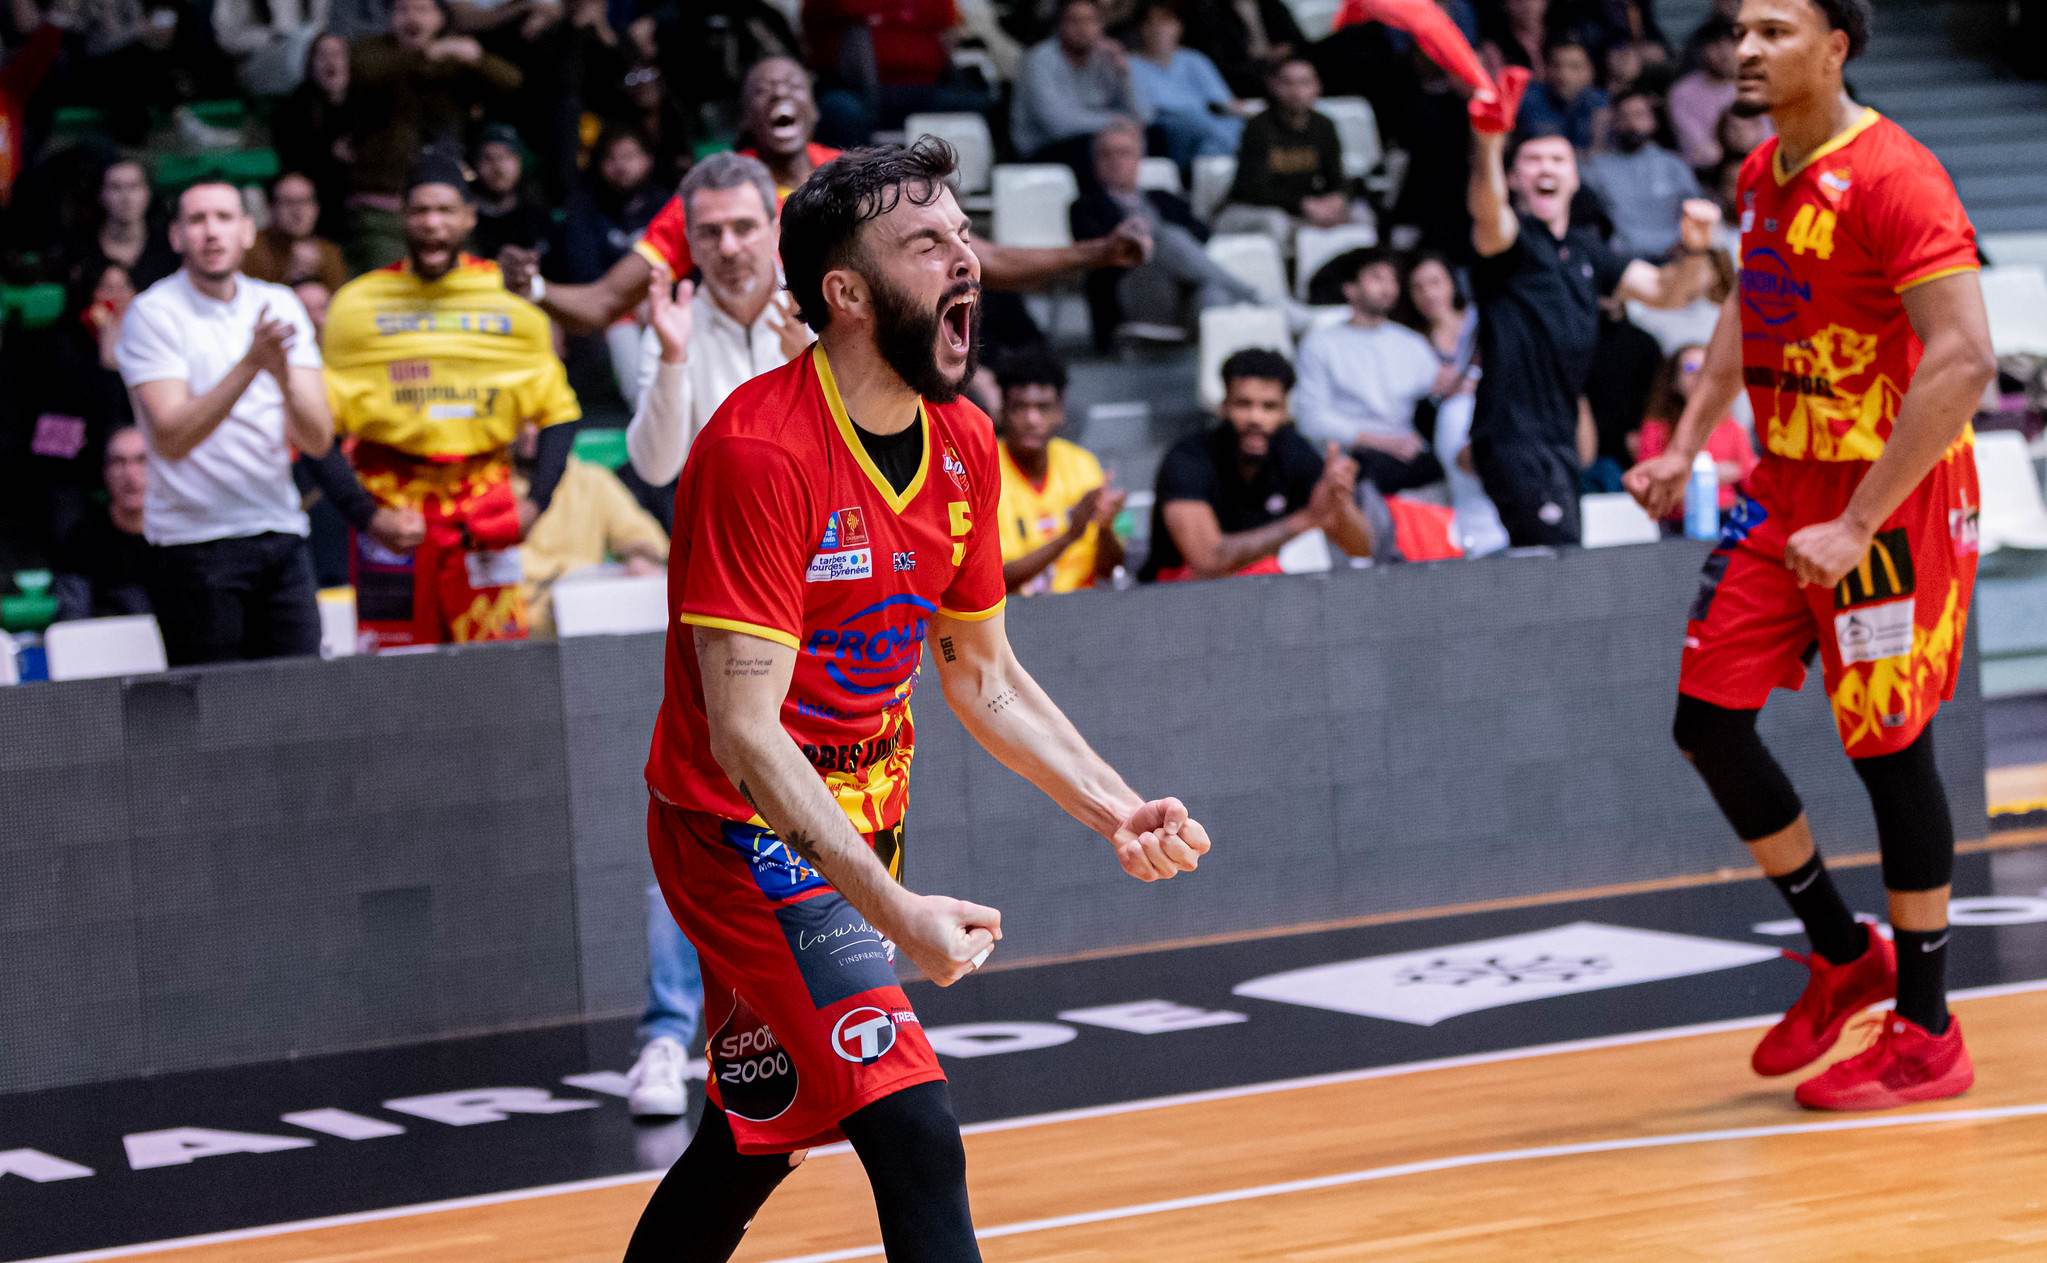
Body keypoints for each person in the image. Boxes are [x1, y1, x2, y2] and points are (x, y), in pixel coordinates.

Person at [621, 137, 1214, 1262]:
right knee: (914, 1131)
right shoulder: (757, 453)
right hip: (740, 833)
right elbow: (747, 739)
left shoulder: (964, 439)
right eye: (926, 242)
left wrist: (1114, 807)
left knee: (753, 1136)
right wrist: (898, 918)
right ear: (845, 292)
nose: (966, 260)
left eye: (963, 233)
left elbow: (981, 672)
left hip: (856, 818)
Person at [1623, 0, 1995, 1111]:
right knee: (1707, 718)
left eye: (1775, 29)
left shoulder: (1895, 175)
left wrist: (1860, 521)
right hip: (1783, 483)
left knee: (1888, 750)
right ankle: (1845, 956)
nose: (1744, 48)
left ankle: (1927, 1033)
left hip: (1889, 496)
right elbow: (1751, 307)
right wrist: (1686, 442)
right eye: (1738, 28)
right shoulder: (1759, 177)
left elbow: (1965, 359)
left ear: (1835, 46)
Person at [497, 56, 1149, 337]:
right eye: (760, 90)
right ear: (750, 118)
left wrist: (1096, 251)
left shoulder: (862, 179)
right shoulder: (716, 198)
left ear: (812, 105)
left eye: (789, 83)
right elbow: (608, 298)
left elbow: (977, 260)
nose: (776, 92)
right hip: (754, 392)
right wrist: (534, 290)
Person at [316, 149, 580, 649]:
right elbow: (315, 433)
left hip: (483, 513)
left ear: (468, 217)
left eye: (445, 211)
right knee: (393, 671)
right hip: (391, 511)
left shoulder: (512, 302)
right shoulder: (353, 307)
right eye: (420, 211)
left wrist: (536, 504)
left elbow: (560, 414)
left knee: (495, 667)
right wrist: (367, 517)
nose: (432, 224)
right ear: (402, 217)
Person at [1465, 86, 1722, 545]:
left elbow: (1666, 293)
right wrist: (1488, 144)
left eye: (1558, 160)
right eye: (1533, 161)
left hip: (1561, 437)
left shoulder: (1589, 252)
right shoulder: (1508, 243)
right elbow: (1488, 212)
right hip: (1510, 435)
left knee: (1557, 559)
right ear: (1515, 179)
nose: (1546, 169)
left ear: (1575, 178)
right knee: (1555, 552)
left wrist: (1697, 247)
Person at [115, 181, 333, 665]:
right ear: (175, 236)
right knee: (216, 724)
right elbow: (172, 438)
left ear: (248, 231)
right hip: (194, 546)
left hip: (281, 533)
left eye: (223, 218)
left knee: (300, 706)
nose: (211, 232)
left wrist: (284, 380)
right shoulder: (153, 313)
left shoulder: (279, 303)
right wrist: (251, 366)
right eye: (197, 220)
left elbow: (318, 439)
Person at [626, 153, 811, 489]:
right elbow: (656, 468)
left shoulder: (820, 310)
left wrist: (811, 364)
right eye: (711, 232)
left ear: (774, 232)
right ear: (691, 244)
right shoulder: (674, 327)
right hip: (724, 529)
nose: (728, 248)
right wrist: (673, 361)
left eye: (744, 228)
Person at [1140, 347, 1374, 581]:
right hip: (1175, 601)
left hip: (1264, 596)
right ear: (1224, 407)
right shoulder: (1188, 458)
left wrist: (1341, 503)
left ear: (1284, 412)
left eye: (1269, 406)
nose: (1256, 418)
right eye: (1244, 404)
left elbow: (1361, 550)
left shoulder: (1295, 451)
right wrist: (1305, 520)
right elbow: (1207, 560)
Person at [342, 0, 521, 271]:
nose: (411, 17)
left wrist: (478, 59)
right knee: (392, 289)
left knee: (473, 283)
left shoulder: (453, 57)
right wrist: (428, 53)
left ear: (440, 18)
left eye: (422, 9)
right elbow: (361, 74)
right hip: (382, 207)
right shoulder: (370, 53)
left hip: (447, 202)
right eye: (402, 9)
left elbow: (512, 84)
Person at [1069, 116, 1266, 346]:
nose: (1115, 161)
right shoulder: (1084, 206)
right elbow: (1094, 254)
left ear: (1139, 159)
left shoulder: (1162, 198)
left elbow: (1202, 233)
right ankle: (1256, 297)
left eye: (1123, 153)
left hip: (1181, 295)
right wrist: (1138, 238)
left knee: (1213, 294)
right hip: (1132, 293)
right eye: (1106, 154)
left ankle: (1212, 373)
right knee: (1163, 236)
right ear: (1095, 162)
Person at [1293, 247, 1444, 494]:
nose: (1388, 287)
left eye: (1392, 279)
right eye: (1376, 277)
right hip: (1351, 455)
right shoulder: (1320, 344)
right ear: (1349, 288)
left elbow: (1435, 397)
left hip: (1411, 453)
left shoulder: (1412, 343)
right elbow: (1311, 420)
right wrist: (1383, 442)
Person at [514, 423, 667, 637]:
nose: (529, 431)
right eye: (520, 421)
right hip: (508, 626)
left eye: (540, 422)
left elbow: (642, 535)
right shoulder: (482, 485)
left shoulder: (591, 480)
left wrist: (640, 557)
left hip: (577, 623)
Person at [994, 345, 1125, 594]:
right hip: (1013, 617)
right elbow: (994, 582)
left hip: (1081, 611)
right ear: (1002, 410)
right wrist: (1070, 535)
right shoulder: (982, 472)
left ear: (1060, 411)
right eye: (1020, 407)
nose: (1032, 419)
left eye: (1043, 407)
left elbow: (1110, 571)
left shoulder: (1083, 466)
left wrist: (1105, 528)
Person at [1216, 58, 1353, 247]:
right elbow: (1253, 189)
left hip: (1301, 208)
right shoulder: (1258, 127)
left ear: (1317, 87)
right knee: (1275, 222)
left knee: (1360, 215)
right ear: (1273, 85)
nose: (1297, 92)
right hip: (1251, 209)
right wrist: (1303, 204)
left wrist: (1336, 198)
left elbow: (1335, 177)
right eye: (1288, 83)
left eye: (1305, 83)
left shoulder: (1324, 126)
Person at [1011, 0, 1154, 170]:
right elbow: (1058, 125)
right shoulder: (1039, 60)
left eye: (1089, 21)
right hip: (1042, 148)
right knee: (1096, 148)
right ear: (1059, 25)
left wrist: (1124, 74)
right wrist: (1113, 122)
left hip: (1094, 139)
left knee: (1155, 136)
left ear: (1101, 26)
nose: (1082, 28)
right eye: (1074, 21)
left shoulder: (1106, 58)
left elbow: (1145, 116)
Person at [1583, 87, 1705, 260]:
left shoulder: (1674, 164)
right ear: (1613, 122)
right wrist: (1598, 134)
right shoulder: (1598, 166)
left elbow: (1698, 210)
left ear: (1652, 121)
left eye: (1639, 115)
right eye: (1624, 117)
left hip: (1675, 258)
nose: (1632, 124)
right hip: (1624, 260)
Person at [1634, 340, 1753, 514]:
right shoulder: (1657, 428)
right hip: (1676, 520)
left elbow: (1750, 477)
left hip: (1727, 515)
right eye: (1690, 369)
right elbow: (1648, 484)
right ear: (1674, 380)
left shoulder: (1731, 426)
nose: (1700, 376)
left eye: (1706, 369)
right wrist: (1712, 474)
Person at [52, 425, 155, 622]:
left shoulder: (179, 537)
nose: (130, 473)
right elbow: (72, 622)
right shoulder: (80, 540)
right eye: (118, 462)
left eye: (142, 460)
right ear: (105, 472)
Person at [1127, 0, 1245, 170]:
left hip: (1208, 126)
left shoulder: (1194, 59)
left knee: (1231, 127)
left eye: (1169, 23)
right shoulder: (1130, 65)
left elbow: (1225, 102)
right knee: (1199, 124)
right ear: (1143, 29)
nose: (1164, 30)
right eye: (1158, 23)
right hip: (1166, 126)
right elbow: (1144, 112)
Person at [271, 33, 356, 237]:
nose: (330, 61)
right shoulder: (294, 108)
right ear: (311, 64)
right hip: (318, 199)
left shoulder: (365, 101)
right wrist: (330, 153)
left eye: (337, 54)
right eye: (322, 55)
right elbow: (291, 162)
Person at [66, 159, 179, 293]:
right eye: (115, 187)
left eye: (134, 186)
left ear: (148, 192)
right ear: (100, 195)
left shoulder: (170, 246)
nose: (126, 197)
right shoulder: (79, 248)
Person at [243, 172, 350, 292]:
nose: (298, 212)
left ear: (316, 208)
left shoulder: (329, 253)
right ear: (270, 208)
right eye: (289, 202)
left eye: (305, 201)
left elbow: (339, 302)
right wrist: (289, 274)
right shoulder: (252, 248)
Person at [1183, 0, 1306, 97]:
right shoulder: (1213, 14)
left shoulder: (1272, 6)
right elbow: (1218, 61)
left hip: (1282, 66)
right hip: (1243, 76)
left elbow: (1296, 39)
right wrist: (1259, 61)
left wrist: (1285, 49)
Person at [467, 123, 552, 261]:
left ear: (519, 161)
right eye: (488, 158)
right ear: (476, 164)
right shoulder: (464, 221)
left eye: (506, 156)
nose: (498, 167)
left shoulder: (537, 219)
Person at [212, 0, 329, 96]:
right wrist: (271, 37)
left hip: (311, 52)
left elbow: (323, 24)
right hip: (257, 61)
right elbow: (227, 38)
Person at [1669, 17, 1738, 167]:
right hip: (1708, 177)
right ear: (1701, 50)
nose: (1725, 53)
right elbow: (1697, 150)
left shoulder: (1757, 85)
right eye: (1716, 45)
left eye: (1731, 44)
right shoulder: (1683, 92)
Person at [1517, 40, 1608, 151]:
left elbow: (1600, 152)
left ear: (1590, 71)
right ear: (1546, 69)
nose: (1564, 74)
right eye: (1556, 65)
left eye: (1574, 67)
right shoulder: (1527, 99)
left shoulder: (1600, 103)